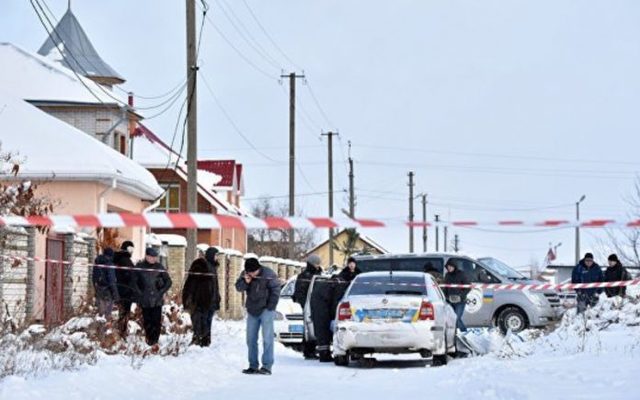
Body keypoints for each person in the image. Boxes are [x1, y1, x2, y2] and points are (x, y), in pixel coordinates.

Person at [235, 257, 281, 375]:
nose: (251, 274)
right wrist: (246, 282)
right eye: (249, 272)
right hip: (252, 310)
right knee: (250, 339)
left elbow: (276, 291)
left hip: (266, 309)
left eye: (253, 272)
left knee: (267, 338)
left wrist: (270, 307)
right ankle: (253, 365)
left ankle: (267, 366)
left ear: (258, 269)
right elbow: (238, 287)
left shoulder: (269, 274)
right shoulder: (246, 274)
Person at [131, 247, 172, 346]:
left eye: (155, 257)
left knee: (156, 322)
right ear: (147, 256)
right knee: (147, 321)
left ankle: (155, 341)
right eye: (152, 257)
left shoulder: (159, 267)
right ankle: (149, 341)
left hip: (157, 300)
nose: (154, 259)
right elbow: (133, 282)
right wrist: (139, 293)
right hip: (145, 299)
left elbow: (169, 282)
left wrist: (161, 292)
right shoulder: (140, 266)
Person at [293, 254, 323, 359]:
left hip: (318, 304)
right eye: (316, 263)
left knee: (315, 327)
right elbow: (299, 292)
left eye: (319, 264)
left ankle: (315, 348)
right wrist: (304, 303)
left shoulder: (320, 274)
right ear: (311, 263)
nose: (318, 266)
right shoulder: (304, 276)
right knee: (308, 328)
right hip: (308, 304)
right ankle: (308, 350)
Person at [182, 258, 216, 346]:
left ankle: (200, 338)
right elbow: (211, 291)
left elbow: (186, 290)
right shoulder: (207, 277)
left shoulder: (197, 277)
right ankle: (201, 339)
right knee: (201, 321)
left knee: (199, 321)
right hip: (201, 303)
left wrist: (185, 302)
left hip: (198, 303)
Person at [114, 240, 136, 336]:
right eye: (130, 249)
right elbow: (129, 275)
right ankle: (122, 332)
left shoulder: (119, 258)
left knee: (123, 312)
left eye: (133, 249)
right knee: (124, 312)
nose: (132, 251)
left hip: (122, 290)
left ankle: (121, 330)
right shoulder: (124, 260)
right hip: (125, 291)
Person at [442, 260, 470, 332]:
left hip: (460, 301)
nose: (449, 268)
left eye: (451, 267)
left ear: (454, 266)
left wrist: (460, 296)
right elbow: (445, 287)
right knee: (451, 318)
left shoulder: (461, 274)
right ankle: (454, 333)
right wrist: (445, 297)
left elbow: (468, 287)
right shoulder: (447, 275)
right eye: (448, 267)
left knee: (456, 318)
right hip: (450, 301)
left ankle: (464, 331)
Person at [92, 247, 119, 320]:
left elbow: (93, 277)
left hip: (99, 289)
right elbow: (111, 280)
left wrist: (96, 288)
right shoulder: (110, 264)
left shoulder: (97, 262)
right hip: (108, 291)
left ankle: (99, 329)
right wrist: (115, 294)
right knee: (107, 314)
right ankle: (105, 329)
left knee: (100, 313)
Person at [203, 247, 222, 346]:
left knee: (209, 320)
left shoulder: (213, 267)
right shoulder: (205, 266)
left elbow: (215, 284)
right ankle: (204, 341)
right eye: (215, 255)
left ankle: (206, 340)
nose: (217, 257)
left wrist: (217, 296)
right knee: (205, 320)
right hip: (206, 299)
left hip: (212, 299)